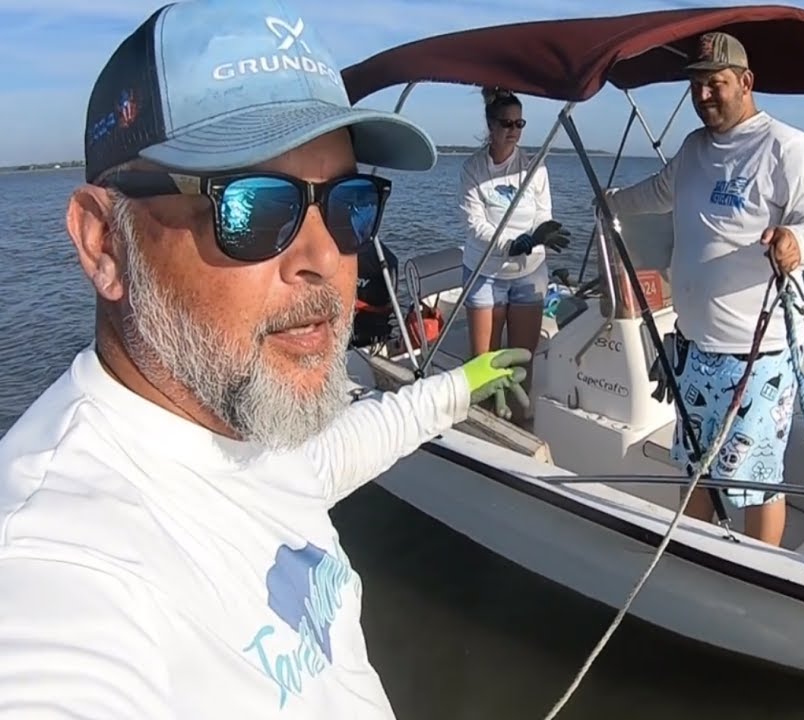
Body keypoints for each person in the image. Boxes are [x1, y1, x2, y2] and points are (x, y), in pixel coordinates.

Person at [0, 1, 531, 717]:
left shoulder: (240, 425)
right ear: (105, 243)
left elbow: (329, 456)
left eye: (347, 204)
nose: (325, 259)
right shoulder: (58, 562)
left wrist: (456, 388)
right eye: (250, 207)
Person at [603, 32, 804, 546]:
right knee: (695, 466)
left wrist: (796, 241)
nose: (704, 95)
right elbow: (658, 192)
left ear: (746, 82)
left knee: (758, 483)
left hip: (758, 359)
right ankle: (692, 549)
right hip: (694, 351)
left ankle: (761, 569)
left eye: (717, 84)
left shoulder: (786, 147)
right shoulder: (693, 148)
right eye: (697, 85)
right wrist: (611, 202)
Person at [458, 87, 570, 422]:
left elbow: (543, 213)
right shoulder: (473, 169)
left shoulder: (535, 167)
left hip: (528, 273)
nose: (514, 130)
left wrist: (541, 234)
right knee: (484, 362)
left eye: (519, 123)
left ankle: (518, 422)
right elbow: (475, 224)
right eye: (507, 123)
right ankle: (483, 422)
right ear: (491, 125)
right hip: (485, 272)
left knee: (522, 358)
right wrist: (512, 243)